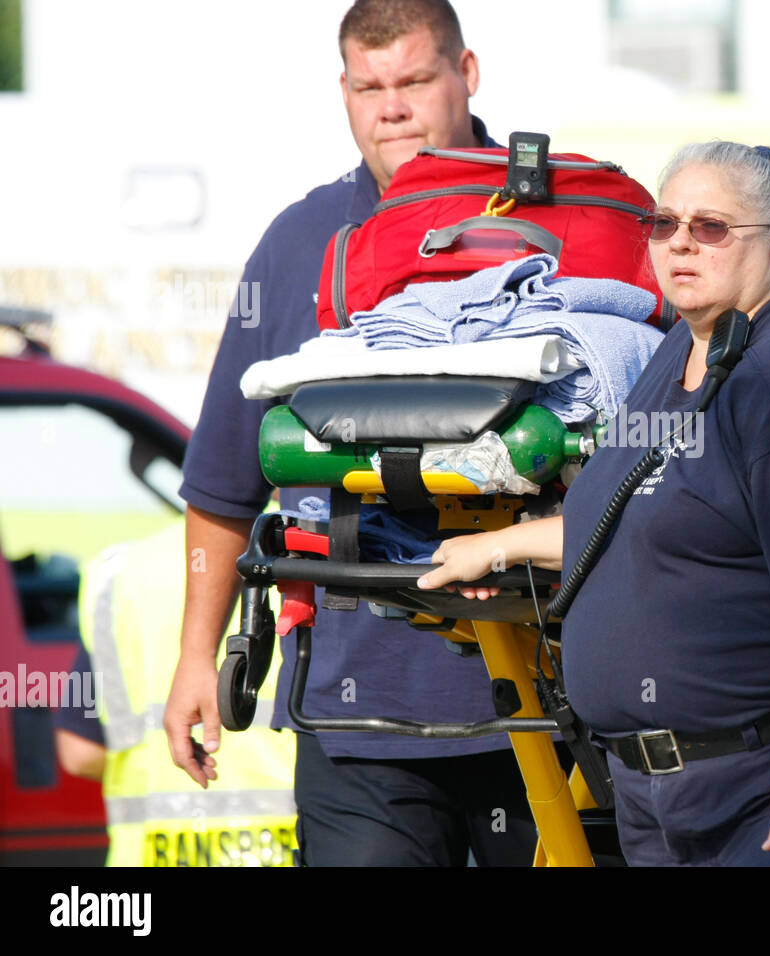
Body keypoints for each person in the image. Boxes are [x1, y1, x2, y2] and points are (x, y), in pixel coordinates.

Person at [419, 141, 770, 867]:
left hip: (767, 785)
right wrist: (500, 546)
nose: (681, 241)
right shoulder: (684, 349)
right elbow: (640, 518)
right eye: (664, 223)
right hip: (660, 797)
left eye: (711, 226)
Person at [163, 0, 539, 866]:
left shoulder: (558, 219)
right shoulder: (298, 243)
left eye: (413, 80)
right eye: (369, 88)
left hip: (546, 702)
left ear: (467, 73)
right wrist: (195, 659)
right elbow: (222, 484)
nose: (391, 108)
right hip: (356, 713)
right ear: (343, 92)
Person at [57, 522, 298, 867]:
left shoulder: (116, 574)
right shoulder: (306, 548)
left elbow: (79, 752)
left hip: (147, 864)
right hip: (289, 848)